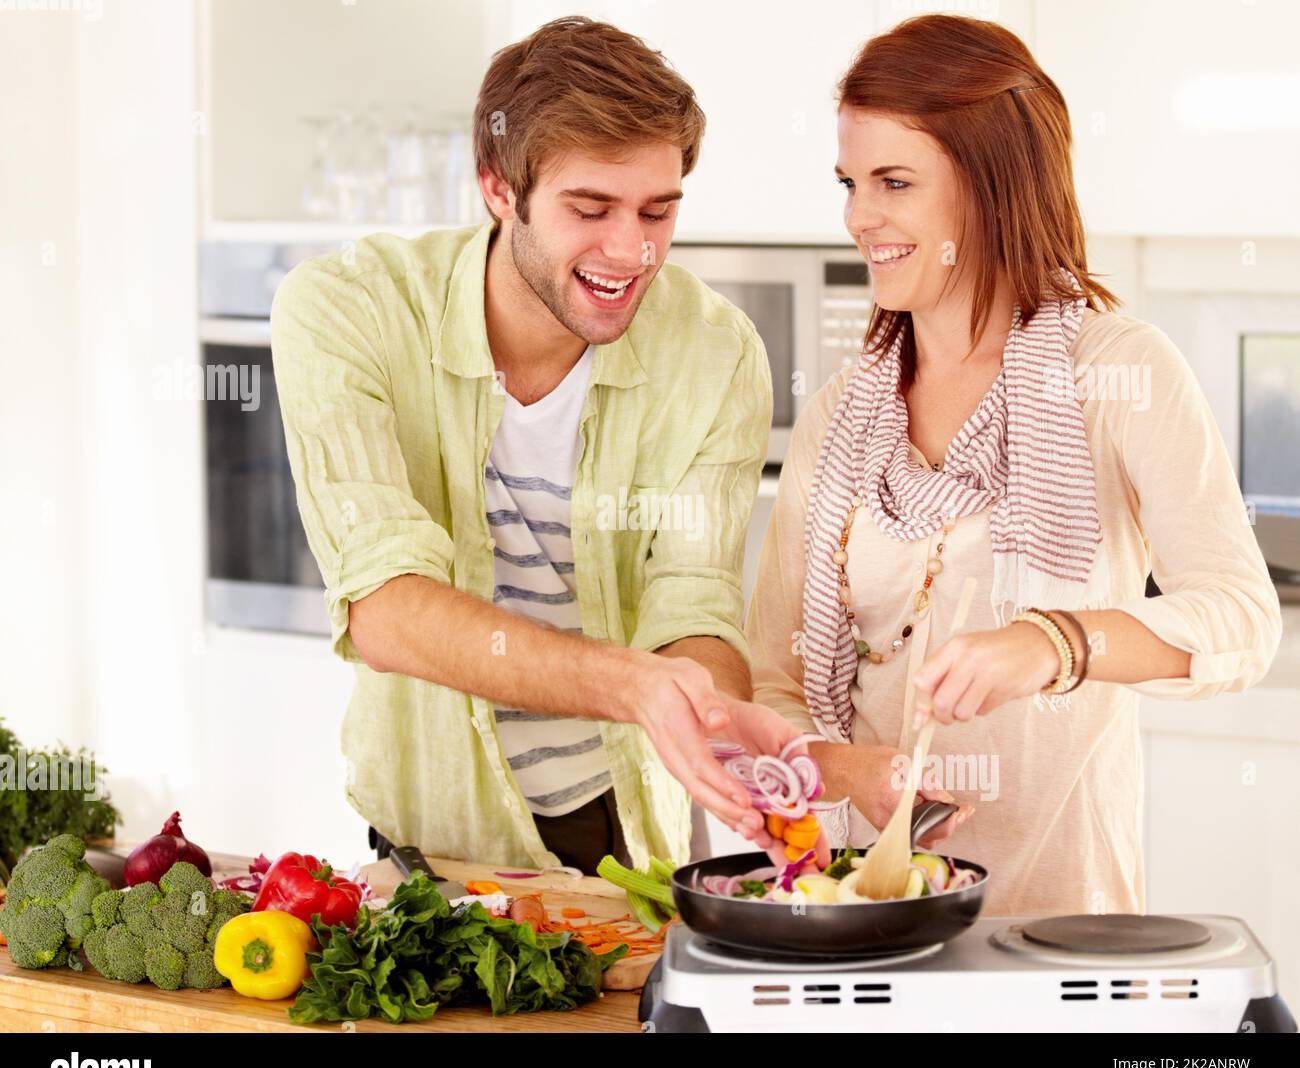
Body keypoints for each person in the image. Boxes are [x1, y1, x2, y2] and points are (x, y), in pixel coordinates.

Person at [745, 14, 1282, 914]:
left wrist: (1055, 641)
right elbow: (775, 677)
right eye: (849, 183)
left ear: (991, 185)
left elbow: (1239, 619)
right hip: (867, 920)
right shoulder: (841, 413)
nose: (857, 217)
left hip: (1062, 924)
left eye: (894, 182)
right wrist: (848, 774)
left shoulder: (1116, 373)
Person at [271, 17, 804, 876]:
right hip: (429, 828)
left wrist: (708, 706)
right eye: (589, 209)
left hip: (627, 826)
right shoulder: (349, 310)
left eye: (658, 211)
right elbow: (384, 603)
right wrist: (634, 686)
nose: (631, 251)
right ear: (497, 187)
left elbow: (693, 599)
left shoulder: (717, 351)